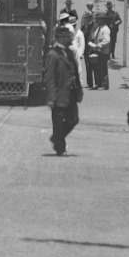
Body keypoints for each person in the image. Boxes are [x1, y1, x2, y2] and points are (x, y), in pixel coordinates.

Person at [43, 19, 83, 155]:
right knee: (58, 122)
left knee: (73, 119)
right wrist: (51, 97)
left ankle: (56, 138)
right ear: (60, 38)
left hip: (71, 92)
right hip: (59, 94)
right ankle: (60, 147)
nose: (69, 39)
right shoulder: (53, 55)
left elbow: (75, 72)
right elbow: (49, 78)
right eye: (67, 37)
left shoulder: (69, 52)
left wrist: (79, 90)